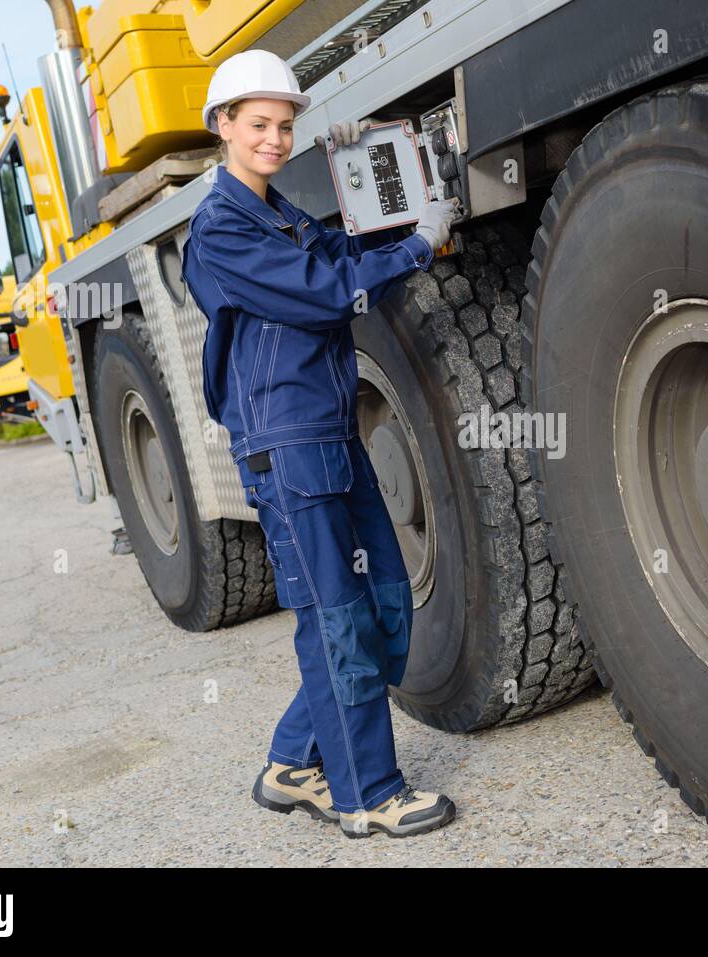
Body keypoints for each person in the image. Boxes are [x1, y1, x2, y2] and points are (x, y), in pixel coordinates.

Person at [180, 49, 461, 839]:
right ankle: (366, 792)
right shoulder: (220, 232)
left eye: (285, 124)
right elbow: (328, 292)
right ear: (223, 126)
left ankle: (292, 762)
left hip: (327, 432)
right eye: (258, 124)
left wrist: (392, 196)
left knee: (378, 601)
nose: (274, 138)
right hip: (287, 444)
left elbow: (341, 257)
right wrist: (418, 249)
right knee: (334, 615)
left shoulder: (277, 214)